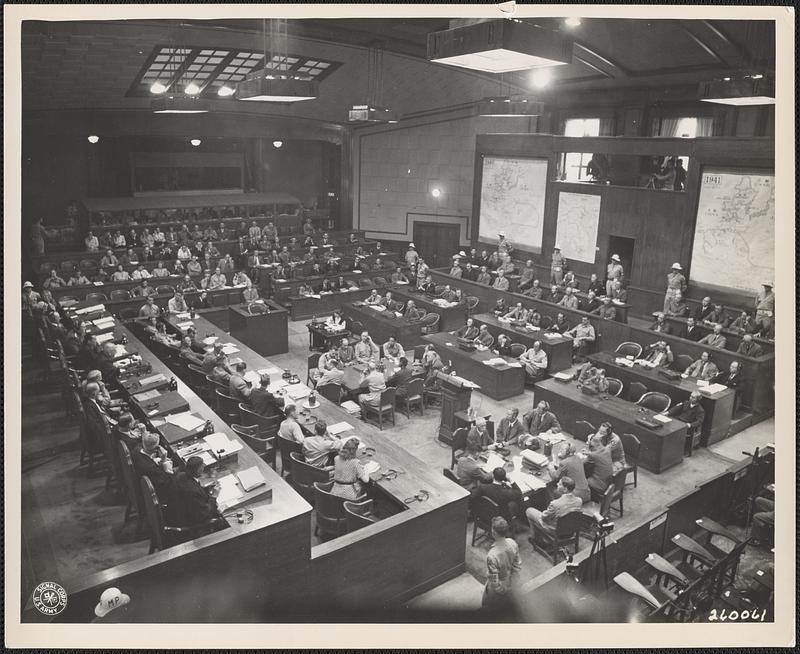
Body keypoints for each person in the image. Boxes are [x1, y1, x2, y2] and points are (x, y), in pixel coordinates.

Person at [168, 455, 221, 528]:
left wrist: (206, 489)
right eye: (202, 466)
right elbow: (205, 513)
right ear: (199, 470)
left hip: (179, 511)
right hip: (192, 522)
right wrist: (214, 496)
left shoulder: (181, 475)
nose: (204, 466)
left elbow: (195, 490)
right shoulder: (193, 491)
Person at [481, 516, 521, 612]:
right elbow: (517, 565)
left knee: (487, 606)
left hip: (498, 587)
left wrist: (502, 590)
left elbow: (494, 580)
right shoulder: (512, 543)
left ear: (494, 532)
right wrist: (513, 582)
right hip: (511, 581)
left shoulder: (492, 555)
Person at [131, 431, 175, 498]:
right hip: (162, 493)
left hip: (141, 481)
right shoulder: (151, 469)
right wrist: (164, 460)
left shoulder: (136, 450)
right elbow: (169, 482)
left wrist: (156, 460)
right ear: (156, 449)